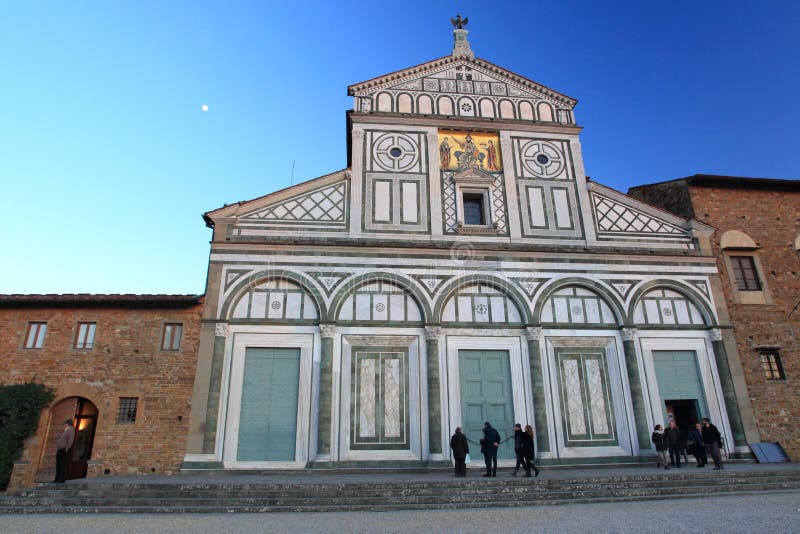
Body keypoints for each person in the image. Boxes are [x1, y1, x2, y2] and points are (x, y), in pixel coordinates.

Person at [54, 419, 75, 484]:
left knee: (62, 465)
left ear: (67, 424)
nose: (64, 425)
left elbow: (70, 440)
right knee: (58, 465)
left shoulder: (70, 430)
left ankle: (61, 479)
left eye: (64, 424)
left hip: (64, 450)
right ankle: (57, 479)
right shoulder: (66, 430)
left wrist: (67, 449)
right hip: (60, 449)